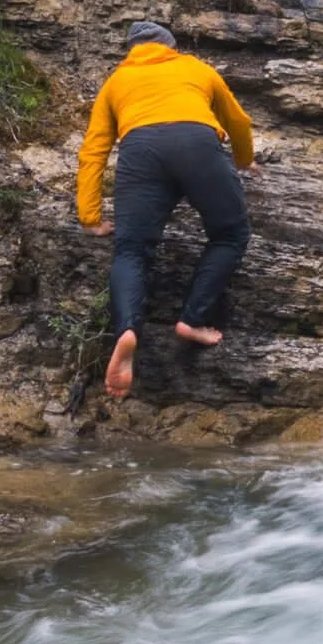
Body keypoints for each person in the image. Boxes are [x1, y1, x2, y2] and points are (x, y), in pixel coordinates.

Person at [77, 20, 255, 398]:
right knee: (230, 233)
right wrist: (243, 159)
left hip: (140, 151)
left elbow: (93, 151)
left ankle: (127, 330)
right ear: (170, 47)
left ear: (131, 52)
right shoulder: (196, 69)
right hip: (196, 144)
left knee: (131, 250)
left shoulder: (116, 83)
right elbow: (238, 121)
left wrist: (90, 217)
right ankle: (192, 319)